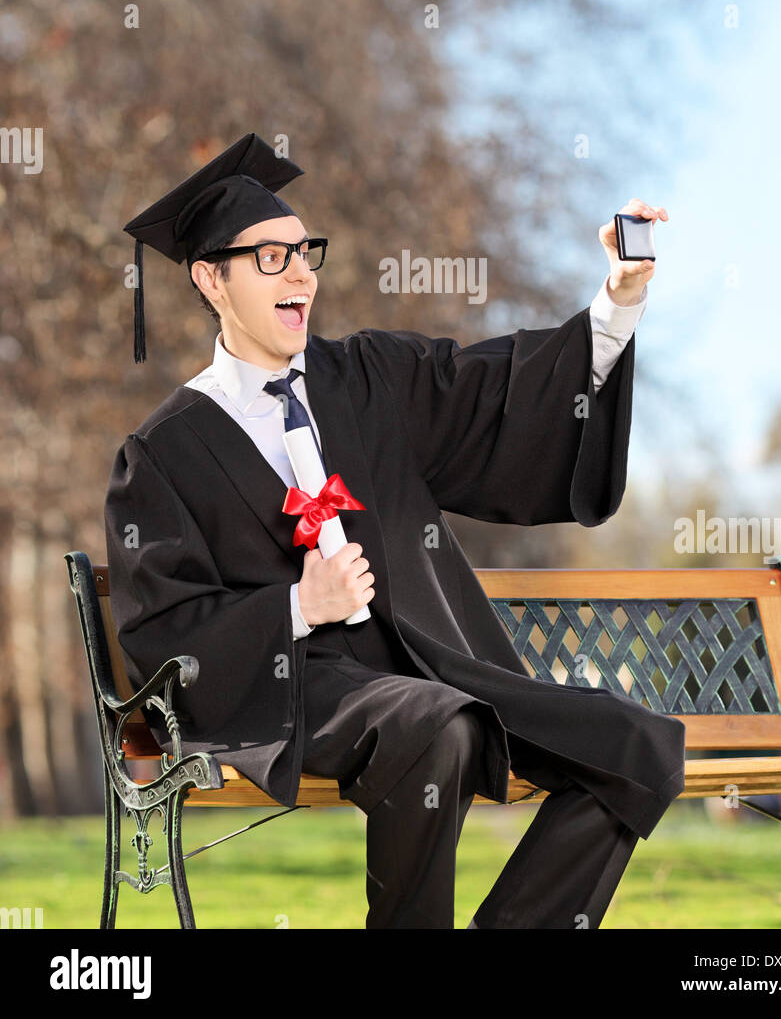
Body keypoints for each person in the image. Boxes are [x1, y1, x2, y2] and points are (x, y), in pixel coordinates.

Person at [104, 131, 686, 929]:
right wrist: (298, 607)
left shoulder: (373, 380)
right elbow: (162, 631)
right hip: (290, 685)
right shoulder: (165, 451)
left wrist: (616, 300)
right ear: (212, 279)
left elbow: (500, 395)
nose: (301, 271)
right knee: (436, 727)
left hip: (425, 659)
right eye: (271, 257)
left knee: (638, 743)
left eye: (305, 252)